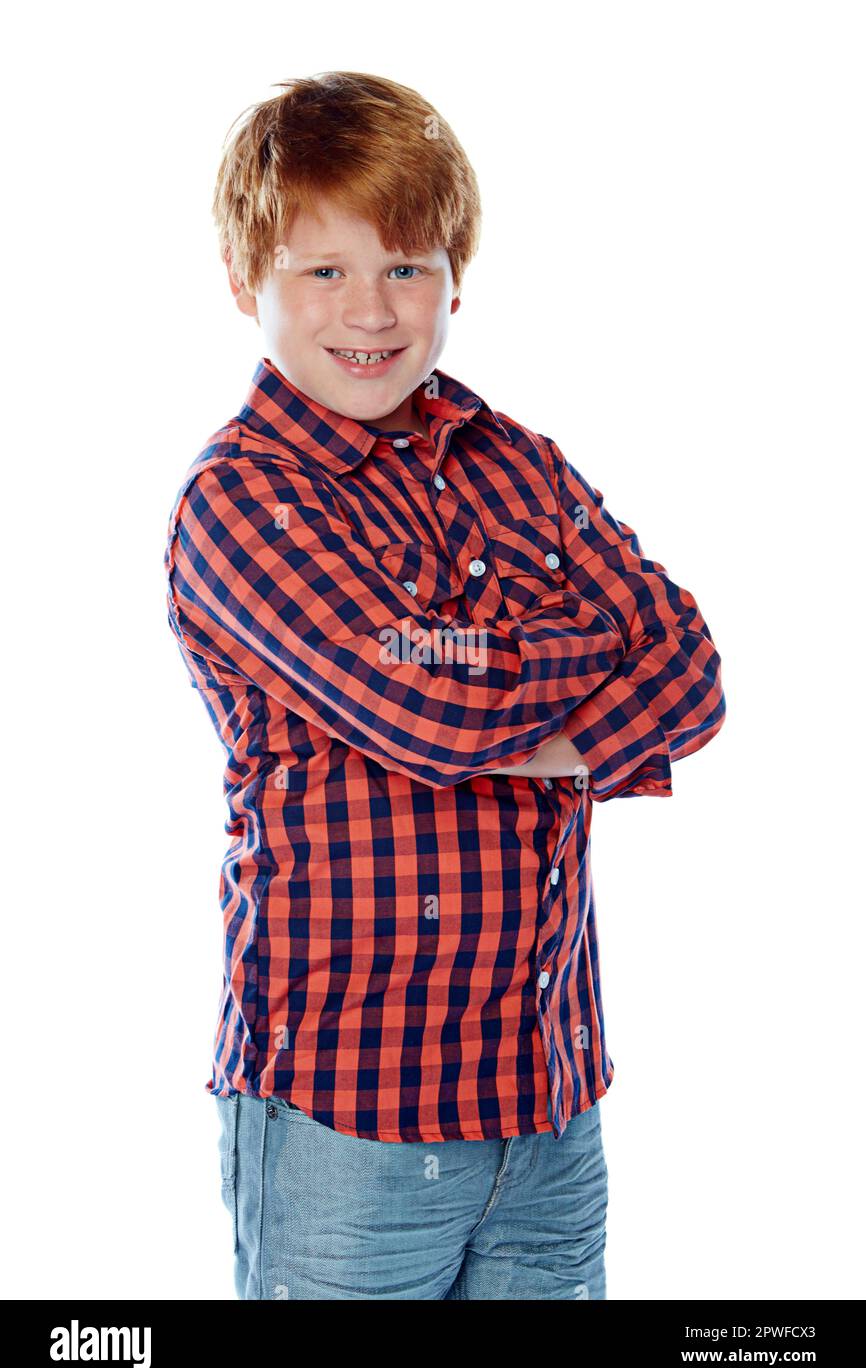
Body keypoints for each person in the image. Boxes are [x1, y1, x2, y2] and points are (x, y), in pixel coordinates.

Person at [163, 71, 726, 1300]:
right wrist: (567, 653)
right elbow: (435, 714)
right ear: (242, 278)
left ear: (454, 279)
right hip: (349, 1119)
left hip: (548, 1108)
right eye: (323, 271)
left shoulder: (518, 463)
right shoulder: (240, 501)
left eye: (406, 268)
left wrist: (484, 689)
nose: (370, 309)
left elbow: (688, 662)